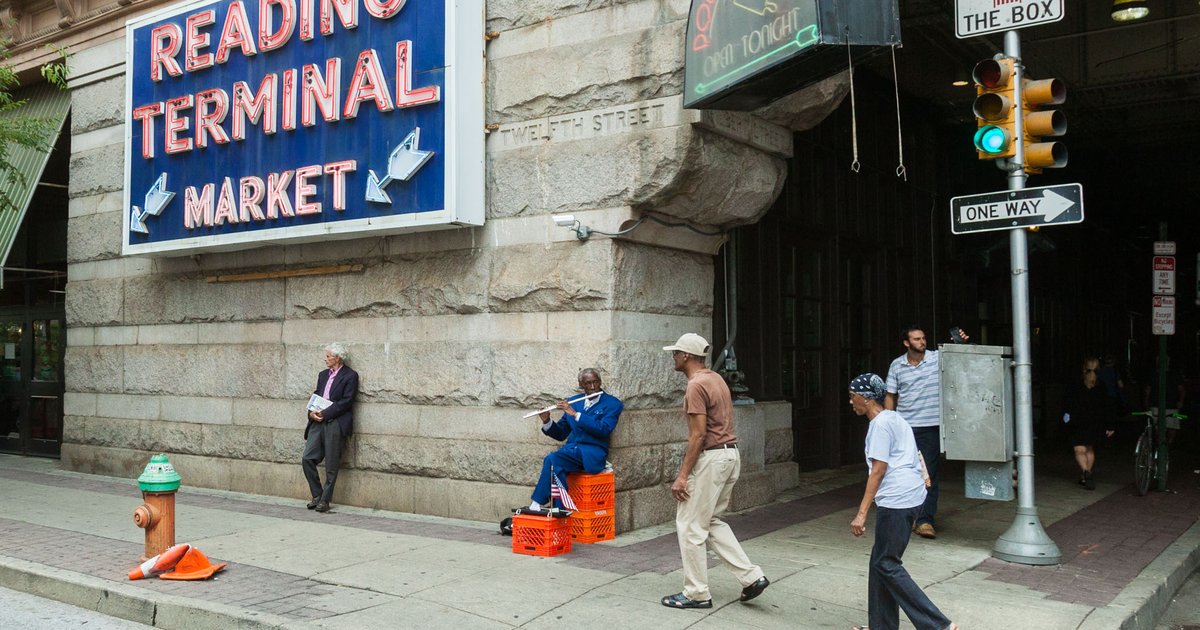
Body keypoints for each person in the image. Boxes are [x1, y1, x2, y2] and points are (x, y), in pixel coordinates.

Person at [660, 333, 769, 610]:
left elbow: (698, 435)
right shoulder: (716, 379)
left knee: (690, 526)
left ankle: (696, 593)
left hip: (711, 458)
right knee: (711, 522)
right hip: (730, 455)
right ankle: (751, 577)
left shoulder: (695, 386)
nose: (673, 356)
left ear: (686, 356)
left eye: (676, 353)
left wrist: (682, 475)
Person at [848, 373, 957, 630]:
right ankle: (882, 626)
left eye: (852, 396)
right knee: (880, 562)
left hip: (897, 500)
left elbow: (878, 470)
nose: (851, 402)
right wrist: (924, 480)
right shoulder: (895, 418)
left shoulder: (880, 425)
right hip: (910, 496)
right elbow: (915, 454)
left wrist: (861, 513)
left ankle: (938, 625)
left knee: (887, 563)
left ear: (865, 398)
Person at [883, 325, 968, 540]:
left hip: (930, 427)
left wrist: (961, 342)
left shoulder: (936, 359)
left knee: (928, 474)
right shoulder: (897, 365)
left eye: (923, 338)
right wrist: (888, 422)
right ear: (906, 343)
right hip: (905, 427)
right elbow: (891, 396)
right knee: (903, 471)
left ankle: (924, 520)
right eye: (917, 339)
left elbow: (960, 359)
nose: (922, 342)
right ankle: (906, 515)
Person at [529, 368, 622, 511]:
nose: (592, 387)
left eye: (595, 382)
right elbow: (561, 434)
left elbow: (604, 429)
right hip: (572, 451)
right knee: (555, 465)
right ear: (581, 385)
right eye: (588, 383)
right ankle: (559, 508)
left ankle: (537, 502)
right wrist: (546, 421)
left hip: (592, 453)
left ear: (600, 382)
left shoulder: (612, 404)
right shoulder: (573, 401)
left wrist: (575, 414)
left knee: (553, 460)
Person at [303, 343, 359, 513]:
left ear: (337, 358)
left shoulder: (350, 375)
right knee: (307, 458)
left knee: (332, 463)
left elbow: (346, 401)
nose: (325, 359)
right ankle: (317, 494)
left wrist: (326, 414)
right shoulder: (322, 375)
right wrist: (311, 412)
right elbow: (317, 395)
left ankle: (325, 500)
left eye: (328, 356)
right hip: (317, 421)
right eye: (326, 356)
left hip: (335, 421)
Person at [1063, 357, 1116, 490]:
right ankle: (1086, 474)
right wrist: (1110, 425)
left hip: (1078, 421)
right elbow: (1107, 406)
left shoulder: (1075, 383)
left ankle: (1086, 472)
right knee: (1089, 449)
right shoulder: (1101, 385)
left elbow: (1067, 402)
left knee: (1079, 449)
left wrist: (1066, 416)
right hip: (1095, 421)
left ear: (1083, 368)